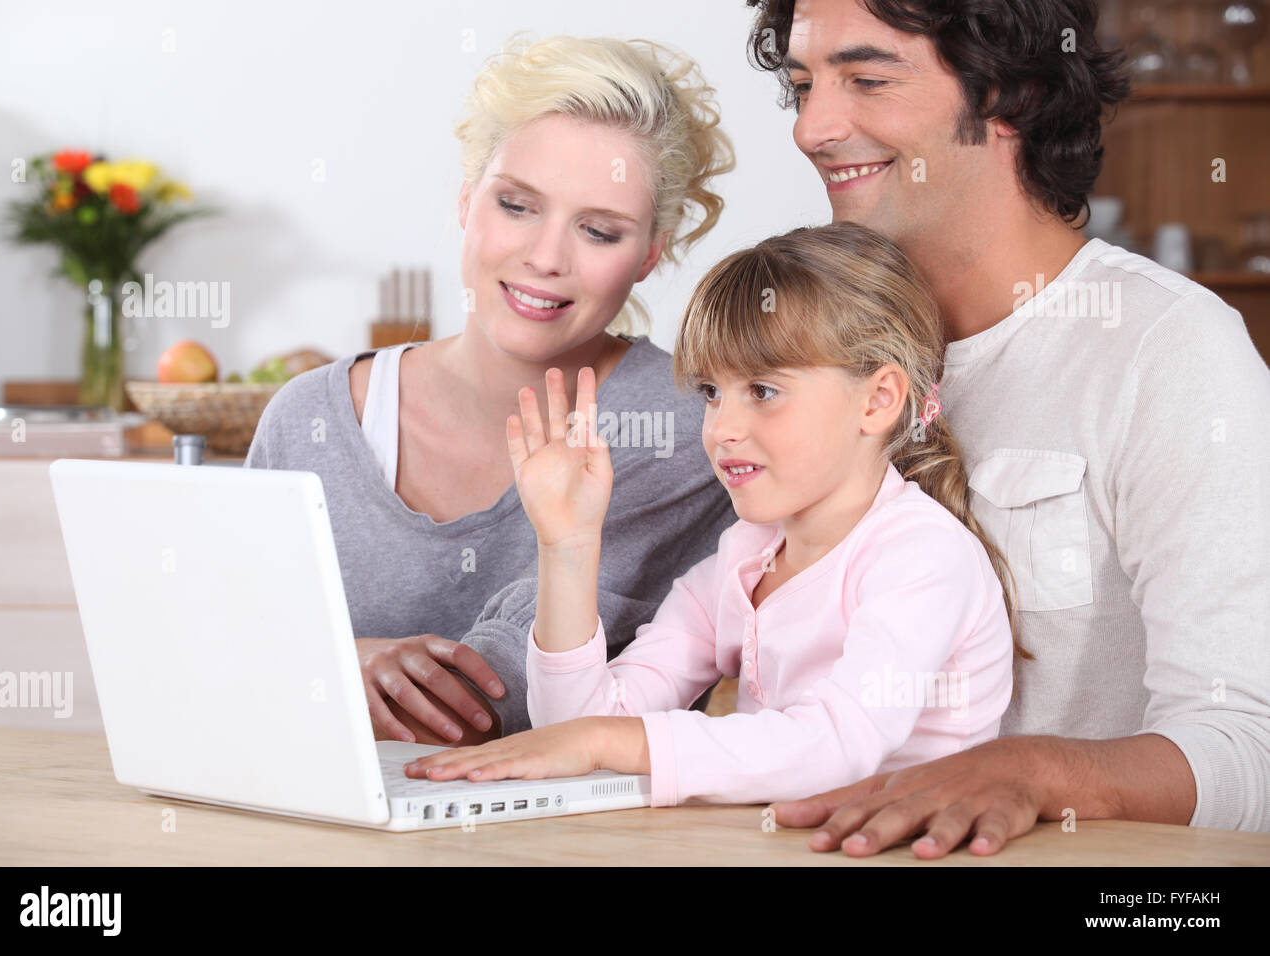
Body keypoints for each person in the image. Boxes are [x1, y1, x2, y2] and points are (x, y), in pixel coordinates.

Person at [742, 0, 1270, 854]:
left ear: (1010, 93)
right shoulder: (803, 351)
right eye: (803, 86)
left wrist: (1036, 772)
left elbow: (1250, 752)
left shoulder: (1170, 349)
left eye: (867, 79)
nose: (812, 128)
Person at [402, 221, 1018, 806]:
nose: (722, 428)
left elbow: (838, 744)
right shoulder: (741, 557)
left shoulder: (923, 556)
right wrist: (568, 545)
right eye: (712, 393)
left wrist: (607, 742)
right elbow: (580, 728)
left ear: (879, 399)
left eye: (763, 391)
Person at [244, 33, 738, 744]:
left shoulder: (687, 433)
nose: (545, 257)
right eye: (515, 205)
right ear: (466, 199)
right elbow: (215, 649)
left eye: (599, 231)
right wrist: (340, 662)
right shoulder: (309, 421)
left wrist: (318, 667)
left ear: (649, 255)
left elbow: (493, 705)